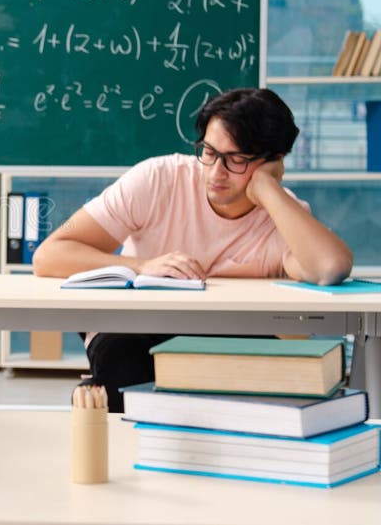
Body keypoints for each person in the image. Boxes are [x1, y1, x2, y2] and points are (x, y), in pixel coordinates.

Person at [32, 88, 353, 411]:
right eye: (210, 152)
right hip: (135, 326)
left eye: (237, 160)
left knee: (262, 383)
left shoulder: (283, 215)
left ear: (274, 162)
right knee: (125, 369)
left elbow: (330, 267)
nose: (216, 173)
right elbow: (50, 254)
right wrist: (142, 266)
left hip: (228, 333)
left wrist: (269, 190)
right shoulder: (158, 179)